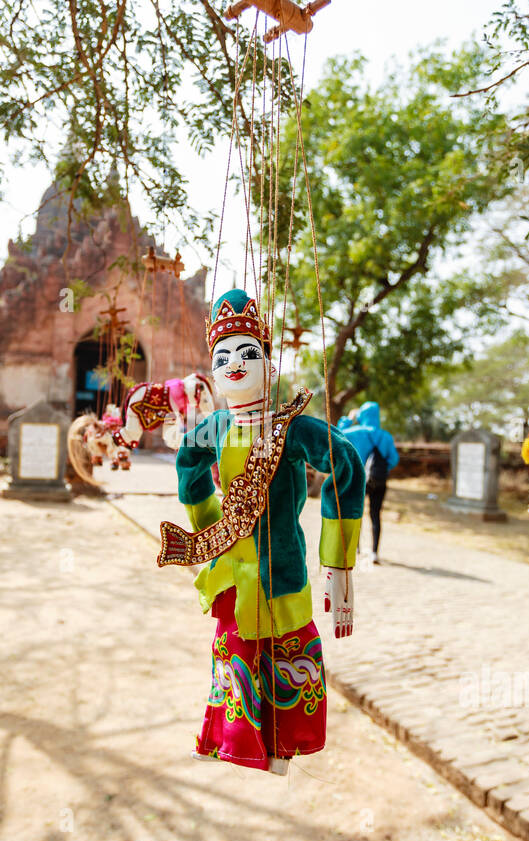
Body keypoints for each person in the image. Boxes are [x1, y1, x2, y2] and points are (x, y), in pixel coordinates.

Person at [161, 288, 365, 775]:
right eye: (223, 355)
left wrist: (338, 563)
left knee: (284, 656)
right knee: (234, 660)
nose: (234, 363)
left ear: (269, 370)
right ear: (212, 371)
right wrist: (212, 529)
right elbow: (187, 461)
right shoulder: (213, 429)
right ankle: (235, 744)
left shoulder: (288, 429)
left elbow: (347, 465)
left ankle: (279, 749)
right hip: (232, 573)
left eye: (248, 353)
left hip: (280, 570)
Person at [342, 401, 399, 563]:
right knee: (375, 514)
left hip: (360, 479)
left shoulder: (356, 432)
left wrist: (348, 418)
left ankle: (356, 547)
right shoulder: (386, 436)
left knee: (356, 512)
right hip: (380, 480)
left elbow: (336, 434)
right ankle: (374, 552)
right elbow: (394, 459)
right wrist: (380, 468)